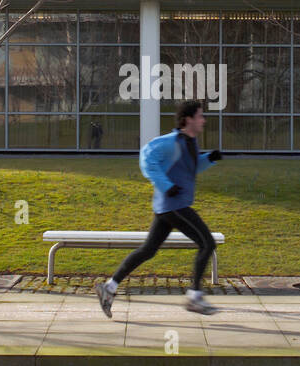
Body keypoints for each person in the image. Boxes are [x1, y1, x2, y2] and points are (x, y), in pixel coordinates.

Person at [96, 100, 225, 317]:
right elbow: (147, 158)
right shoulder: (171, 142)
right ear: (188, 119)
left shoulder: (190, 143)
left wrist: (208, 159)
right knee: (207, 243)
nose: (204, 120)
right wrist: (166, 185)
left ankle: (109, 287)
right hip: (175, 205)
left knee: (148, 250)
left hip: (169, 207)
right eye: (200, 116)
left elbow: (188, 168)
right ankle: (194, 297)